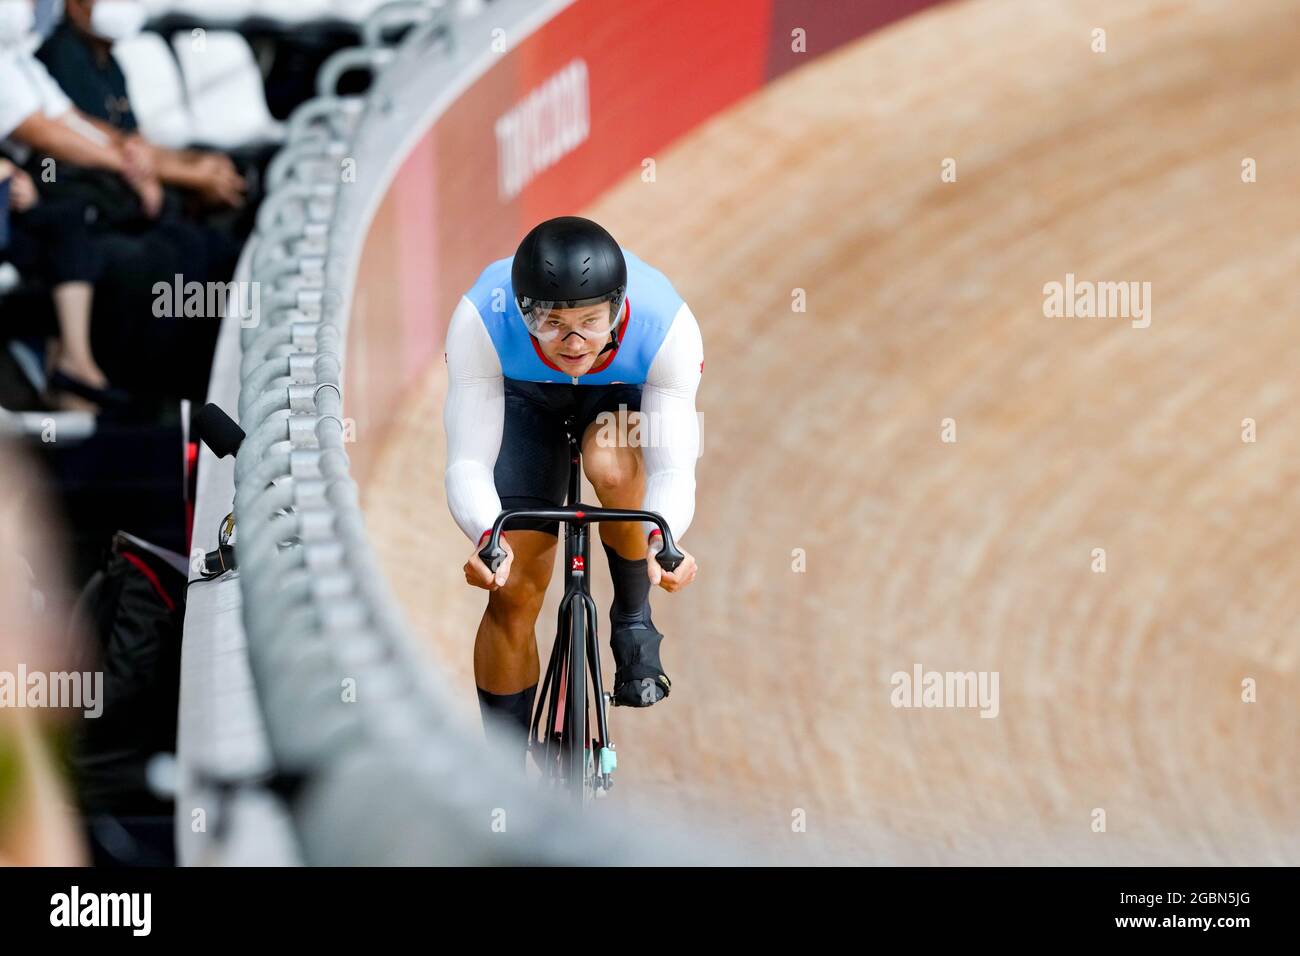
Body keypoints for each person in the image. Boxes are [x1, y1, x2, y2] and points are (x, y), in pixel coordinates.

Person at [444, 216, 703, 754]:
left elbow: (674, 468)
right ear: (521, 313)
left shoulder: (666, 325)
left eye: (593, 320)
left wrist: (666, 542)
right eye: (553, 323)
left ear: (620, 307)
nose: (575, 341)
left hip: (615, 392)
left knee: (610, 462)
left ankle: (632, 615)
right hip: (521, 398)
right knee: (512, 592)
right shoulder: (479, 319)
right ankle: (507, 777)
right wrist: (488, 538)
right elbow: (468, 461)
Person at [38, 0, 247, 211]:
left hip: (120, 178)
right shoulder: (63, 55)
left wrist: (195, 162)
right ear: (74, 6)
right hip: (81, 189)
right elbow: (87, 140)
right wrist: (191, 175)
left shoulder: (111, 63)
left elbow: (131, 140)